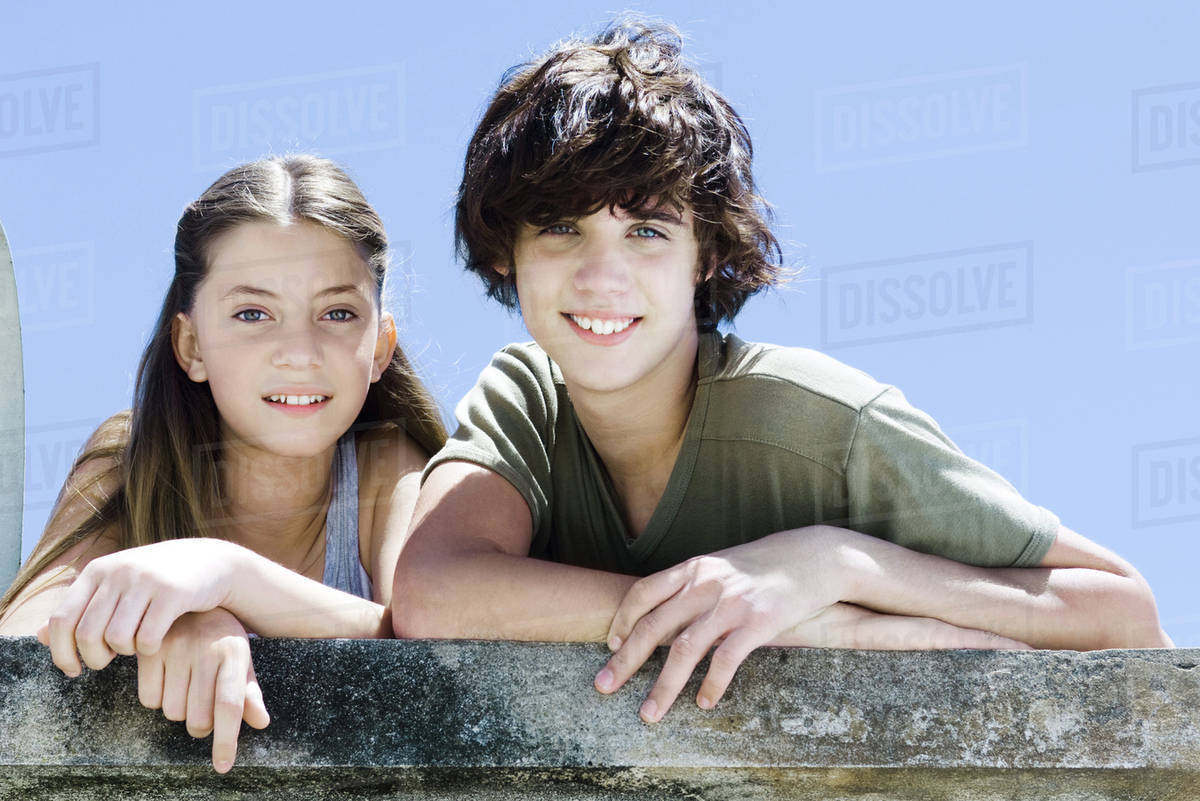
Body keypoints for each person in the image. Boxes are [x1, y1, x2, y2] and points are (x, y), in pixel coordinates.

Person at [393, 18, 1171, 726]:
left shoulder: (822, 422)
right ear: (506, 251)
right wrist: (769, 619)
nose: (602, 277)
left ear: (707, 254)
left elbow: (1126, 615)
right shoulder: (527, 396)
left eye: (648, 231)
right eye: (562, 227)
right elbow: (432, 592)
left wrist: (836, 564)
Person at [0, 155, 447, 771]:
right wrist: (182, 620)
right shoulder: (130, 458)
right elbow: (23, 638)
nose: (299, 353)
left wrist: (229, 576)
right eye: (252, 314)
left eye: (338, 314)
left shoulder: (387, 466)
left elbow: (434, 645)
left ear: (380, 348)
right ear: (191, 345)